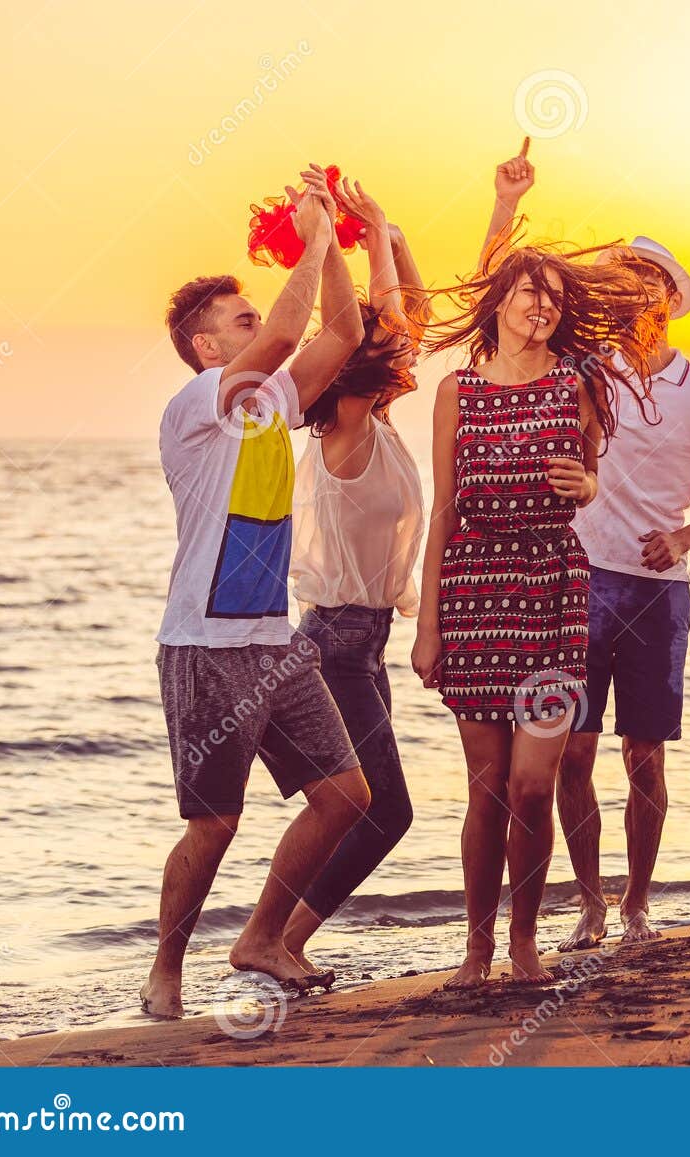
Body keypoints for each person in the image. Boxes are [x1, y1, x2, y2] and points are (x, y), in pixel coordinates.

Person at [483, 143, 690, 950]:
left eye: (646, 278)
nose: (632, 288)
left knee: (645, 759)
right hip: (579, 583)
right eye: (621, 275)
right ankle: (591, 903)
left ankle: (637, 903)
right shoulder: (584, 367)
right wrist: (506, 203)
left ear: (670, 296)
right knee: (571, 754)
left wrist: (685, 535)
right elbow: (502, 295)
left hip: (657, 594)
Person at [145, 166, 371, 1018]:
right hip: (202, 643)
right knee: (215, 824)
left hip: (273, 641)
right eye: (236, 320)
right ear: (207, 347)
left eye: (251, 313)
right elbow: (280, 333)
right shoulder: (199, 402)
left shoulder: (277, 397)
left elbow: (340, 330)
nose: (258, 323)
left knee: (346, 796)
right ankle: (164, 971)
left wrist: (338, 238)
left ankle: (261, 938)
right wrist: (310, 237)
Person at [410, 230, 655, 986]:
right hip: (473, 588)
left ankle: (524, 940)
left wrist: (585, 488)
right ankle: (477, 948)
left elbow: (588, 479)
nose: (542, 304)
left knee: (532, 784)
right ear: (501, 301)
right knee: (486, 788)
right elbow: (443, 508)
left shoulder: (576, 382)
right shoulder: (458, 390)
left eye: (553, 294)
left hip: (551, 585)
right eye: (529, 290)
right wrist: (427, 623)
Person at [280, 177, 429, 977]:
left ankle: (279, 939)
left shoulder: (378, 427)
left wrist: (381, 233)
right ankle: (279, 940)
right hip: (333, 645)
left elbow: (393, 331)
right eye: (379, 354)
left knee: (362, 808)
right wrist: (359, 239)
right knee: (381, 809)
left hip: (361, 642)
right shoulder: (344, 432)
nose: (400, 355)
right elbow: (379, 334)